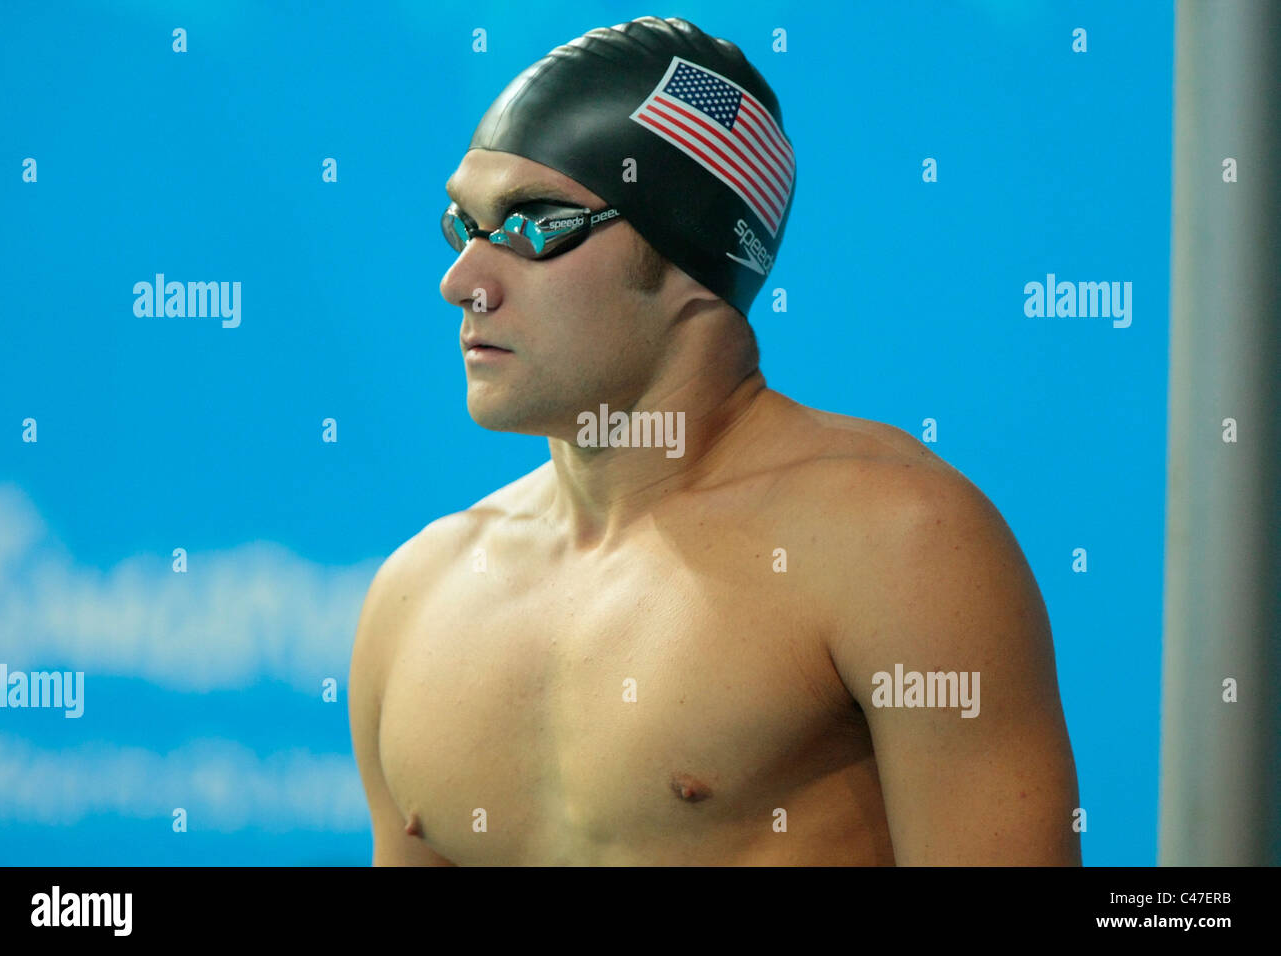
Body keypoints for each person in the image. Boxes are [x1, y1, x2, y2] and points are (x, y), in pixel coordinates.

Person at [348, 15, 1081, 865]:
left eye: (533, 223)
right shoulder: (418, 597)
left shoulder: (896, 545)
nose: (463, 281)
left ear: (689, 256)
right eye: (464, 227)